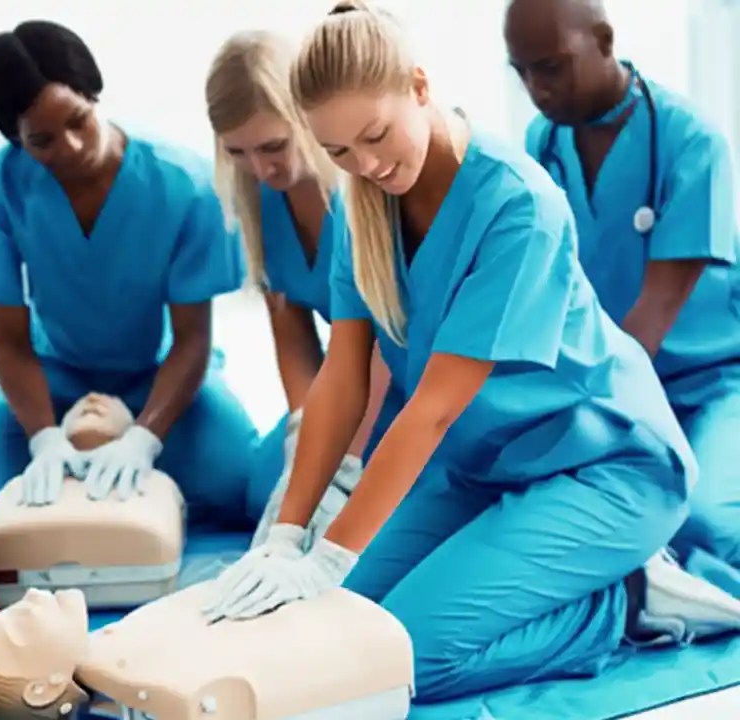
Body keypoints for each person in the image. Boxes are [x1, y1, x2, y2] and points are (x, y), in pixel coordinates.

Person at [202, 1, 740, 703]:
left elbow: (432, 407)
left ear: (419, 87)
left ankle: (627, 603)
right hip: (483, 465)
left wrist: (330, 553)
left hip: (603, 466)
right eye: (337, 152)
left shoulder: (515, 203)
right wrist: (285, 537)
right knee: (335, 628)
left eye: (374, 136)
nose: (364, 165)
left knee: (404, 658)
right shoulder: (363, 206)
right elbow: (342, 376)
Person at [0, 20, 257, 532]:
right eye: (41, 141)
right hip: (53, 376)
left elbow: (191, 340)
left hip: (160, 374)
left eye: (78, 120)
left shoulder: (182, 184)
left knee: (237, 482)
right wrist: (44, 438)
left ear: (95, 95)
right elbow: (8, 340)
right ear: (14, 140)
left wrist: (145, 439)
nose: (69, 147)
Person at [505, 0, 740, 571]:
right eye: (522, 71)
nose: (537, 89)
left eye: (552, 67)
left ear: (605, 40)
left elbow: (654, 315)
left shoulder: (690, 142)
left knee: (705, 523)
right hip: (610, 387)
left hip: (707, 386)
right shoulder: (542, 144)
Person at [203, 29, 394, 538]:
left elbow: (389, 341)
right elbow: (292, 333)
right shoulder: (259, 198)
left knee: (354, 514)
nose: (261, 168)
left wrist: (343, 460)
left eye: (273, 146)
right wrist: (303, 432)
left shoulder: (365, 187)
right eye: (238, 152)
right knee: (264, 486)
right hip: (343, 384)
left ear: (306, 119)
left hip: (401, 379)